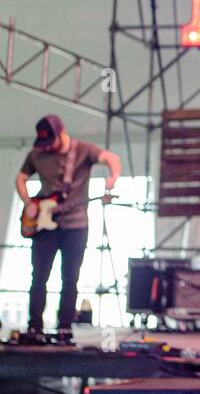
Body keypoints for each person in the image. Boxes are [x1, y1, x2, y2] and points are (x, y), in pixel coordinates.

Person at [15, 115, 121, 334]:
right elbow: (20, 179)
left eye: (50, 142)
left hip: (76, 225)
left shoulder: (83, 150)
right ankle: (34, 326)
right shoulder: (37, 154)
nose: (48, 147)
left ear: (61, 132)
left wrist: (113, 176)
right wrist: (29, 204)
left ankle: (64, 327)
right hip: (44, 225)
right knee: (39, 276)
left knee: (70, 276)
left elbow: (111, 157)